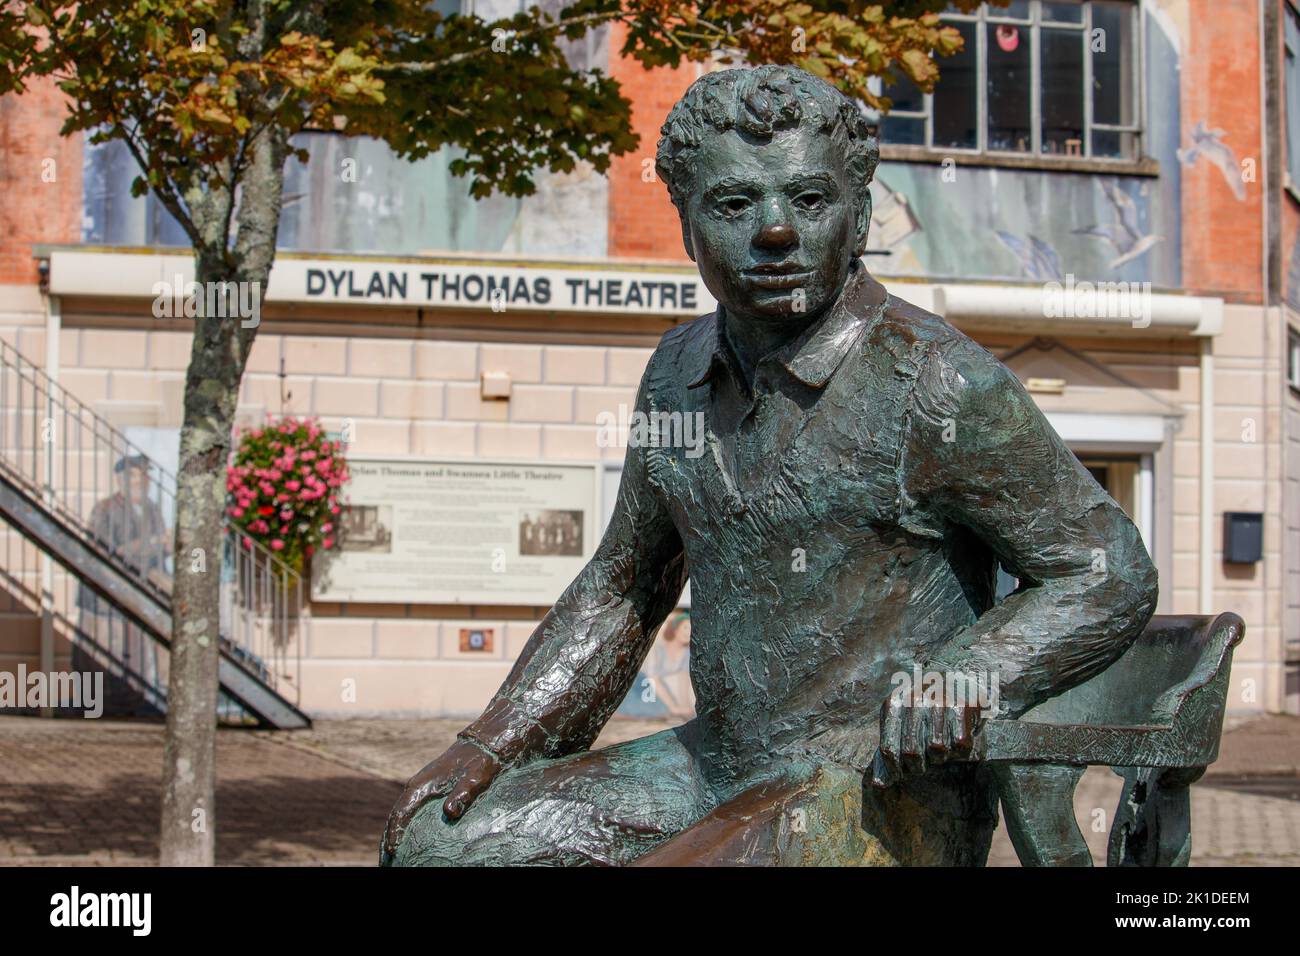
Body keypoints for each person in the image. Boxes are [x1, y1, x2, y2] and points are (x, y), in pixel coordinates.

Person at [382, 65, 1158, 866]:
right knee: (439, 844)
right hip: (711, 770)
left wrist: (963, 678)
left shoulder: (938, 382)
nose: (777, 230)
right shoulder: (675, 370)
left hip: (875, 792)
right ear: (686, 225)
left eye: (810, 200)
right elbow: (624, 587)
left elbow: (1107, 571)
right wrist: (495, 743)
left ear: (858, 215)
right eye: (734, 203)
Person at [76, 454, 168, 706]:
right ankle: (97, 701)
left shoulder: (152, 508)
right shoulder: (105, 509)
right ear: (122, 479)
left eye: (146, 475)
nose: (144, 481)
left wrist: (166, 546)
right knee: (105, 647)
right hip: (107, 588)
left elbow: (156, 548)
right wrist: (150, 543)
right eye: (138, 475)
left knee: (140, 642)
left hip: (140, 583)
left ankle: (150, 690)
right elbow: (104, 549)